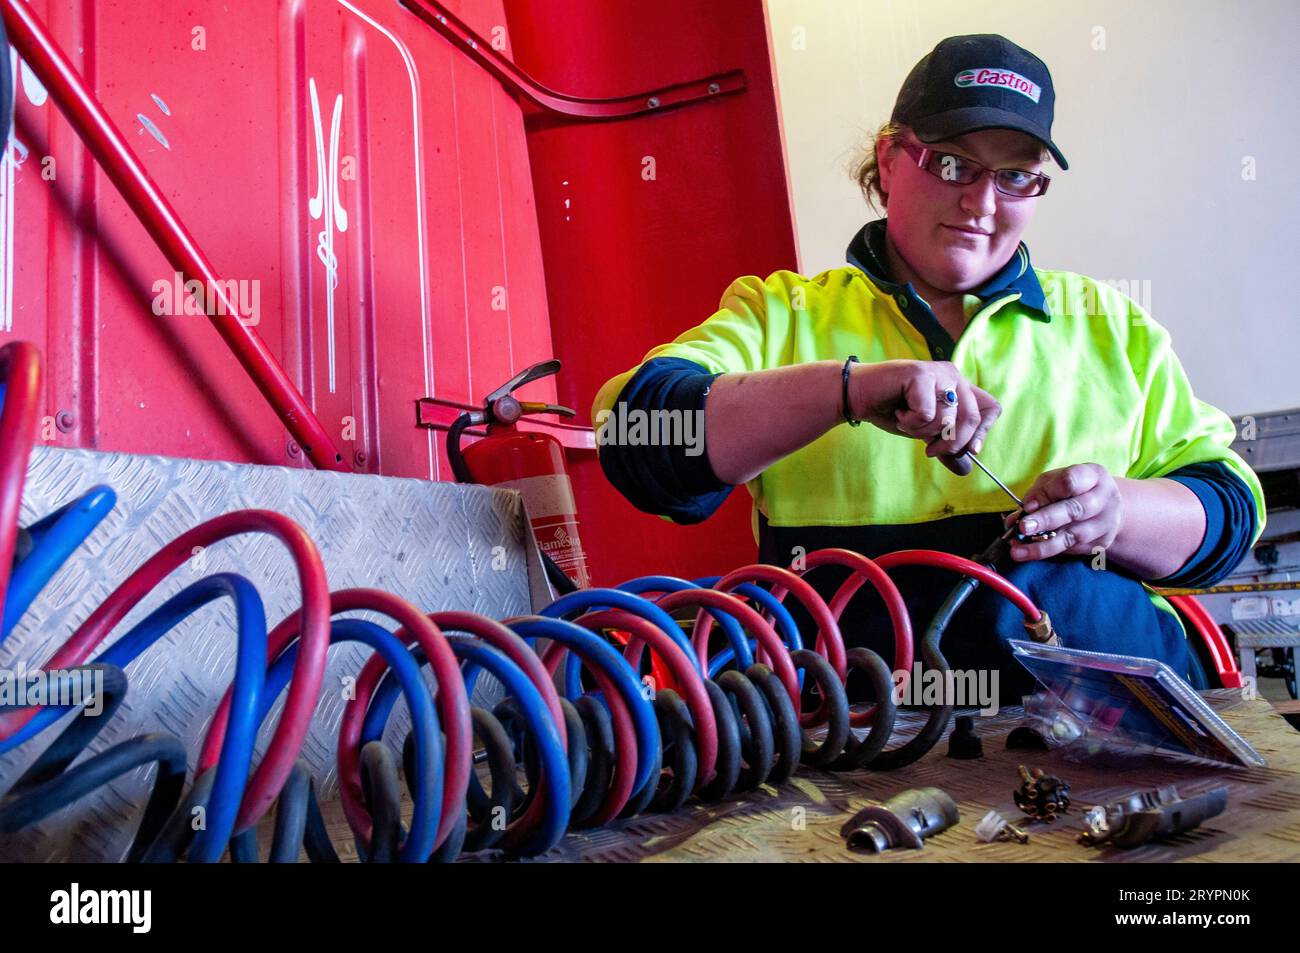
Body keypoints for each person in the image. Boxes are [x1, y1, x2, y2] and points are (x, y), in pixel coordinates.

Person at [591, 34, 1264, 700]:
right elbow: (638, 436)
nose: (983, 203)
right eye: (952, 165)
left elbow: (1229, 509)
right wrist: (846, 389)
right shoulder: (785, 316)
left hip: (1111, 742)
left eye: (1016, 175)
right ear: (888, 160)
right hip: (858, 749)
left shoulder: (1111, 327)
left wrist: (1118, 514)